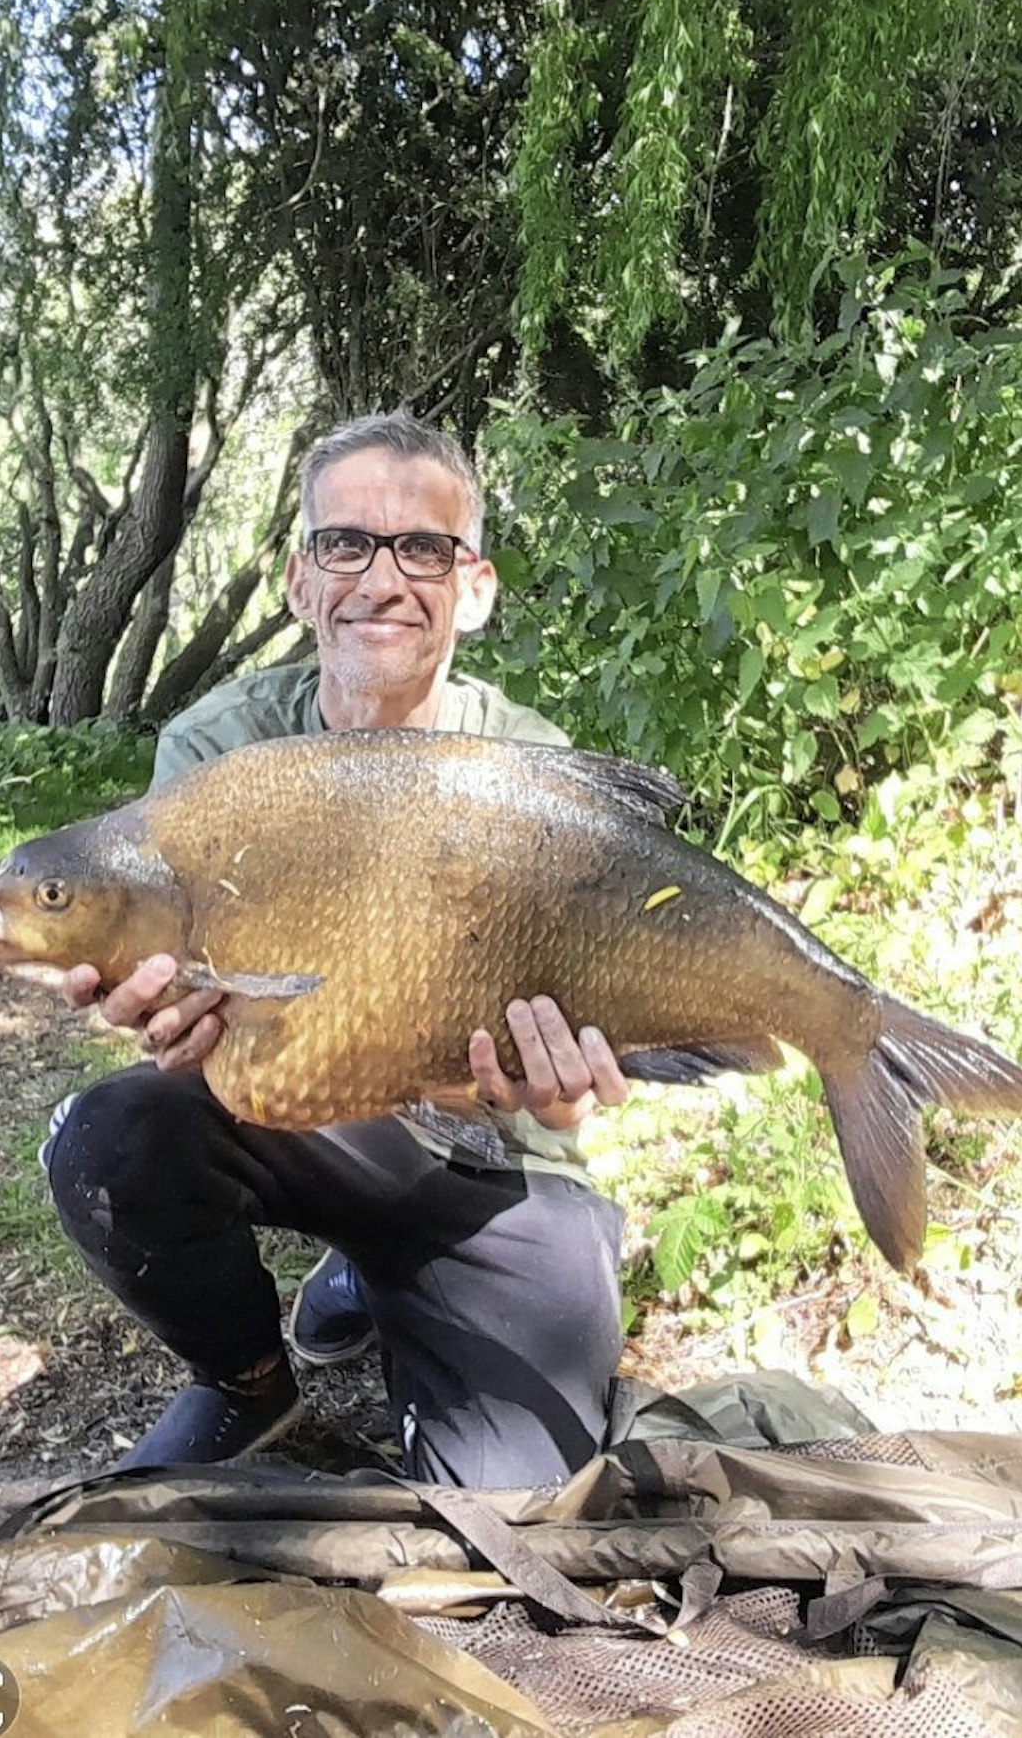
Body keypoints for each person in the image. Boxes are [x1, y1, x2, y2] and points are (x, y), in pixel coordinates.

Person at [47, 412, 630, 1488]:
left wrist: (558, 1095)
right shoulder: (219, 754)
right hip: (294, 1114)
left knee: (516, 1507)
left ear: (477, 586)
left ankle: (374, 1275)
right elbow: (189, 1022)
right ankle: (249, 1388)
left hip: (484, 1153)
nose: (383, 579)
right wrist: (166, 1020)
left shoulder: (533, 768)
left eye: (424, 549)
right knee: (114, 1137)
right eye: (346, 543)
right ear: (300, 578)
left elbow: (557, 1099)